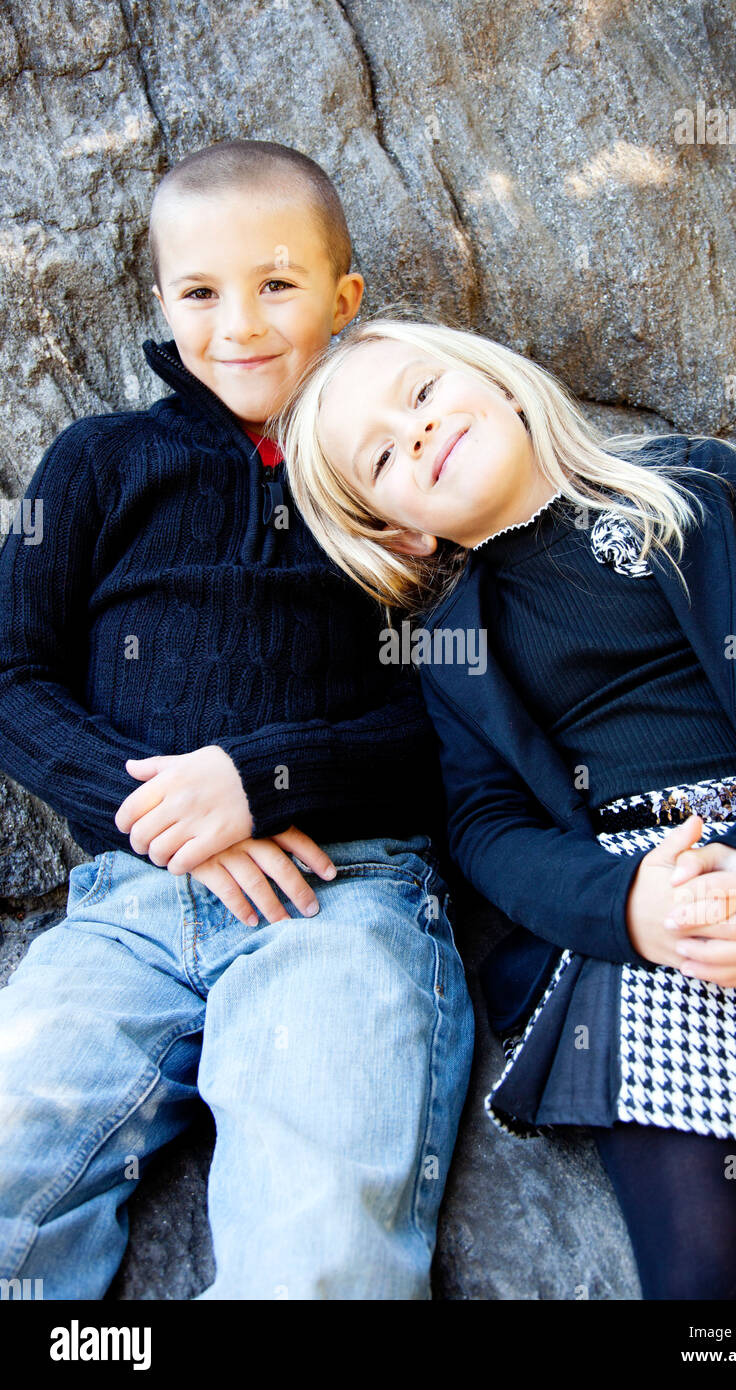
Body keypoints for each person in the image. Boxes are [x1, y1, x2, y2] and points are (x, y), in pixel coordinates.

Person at [280, 316, 736, 1300]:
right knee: (712, 1270)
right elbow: (483, 827)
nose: (415, 432)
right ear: (403, 530)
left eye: (422, 395)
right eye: (382, 452)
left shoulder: (701, 490)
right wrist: (627, 905)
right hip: (637, 925)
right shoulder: (451, 641)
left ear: (499, 383)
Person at [0, 151, 473, 1300]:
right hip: (127, 911)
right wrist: (169, 813)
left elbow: (458, 711)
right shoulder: (101, 460)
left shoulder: (391, 469)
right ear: (162, 302)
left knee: (318, 1243)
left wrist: (260, 781)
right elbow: (10, 670)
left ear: (343, 299)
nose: (240, 325)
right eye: (200, 292)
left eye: (277, 285)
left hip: (342, 899)